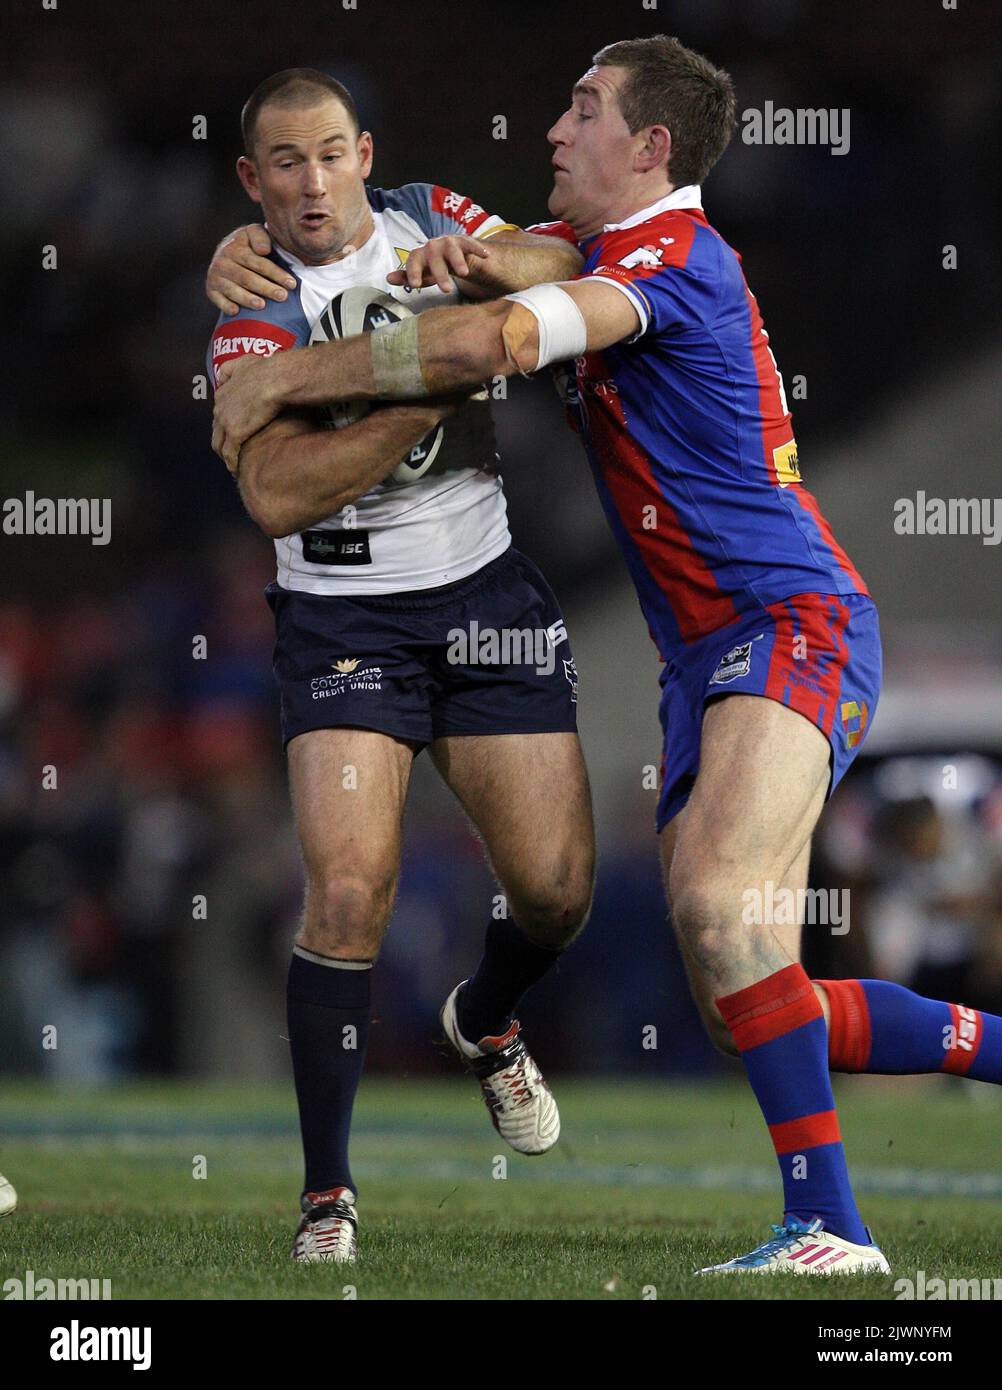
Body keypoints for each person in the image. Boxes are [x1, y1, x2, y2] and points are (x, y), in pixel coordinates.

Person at [212, 36, 1002, 1275]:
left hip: (786, 620)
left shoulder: (674, 259)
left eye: (581, 112)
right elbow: (514, 265)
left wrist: (286, 379)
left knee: (712, 908)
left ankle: (830, 1228)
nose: (551, 132)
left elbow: (491, 345)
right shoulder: (614, 248)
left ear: (651, 150)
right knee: (753, 1003)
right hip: (703, 659)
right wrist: (254, 259)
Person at [206, 68, 595, 1264]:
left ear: (365, 153)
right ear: (252, 180)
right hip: (344, 624)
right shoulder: (250, 303)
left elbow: (562, 267)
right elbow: (275, 491)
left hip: (484, 595)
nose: (312, 181)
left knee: (559, 890)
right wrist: (432, 384)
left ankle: (484, 1021)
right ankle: (328, 1197)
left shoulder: (434, 213)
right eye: (285, 161)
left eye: (330, 153)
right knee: (345, 892)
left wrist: (482, 280)